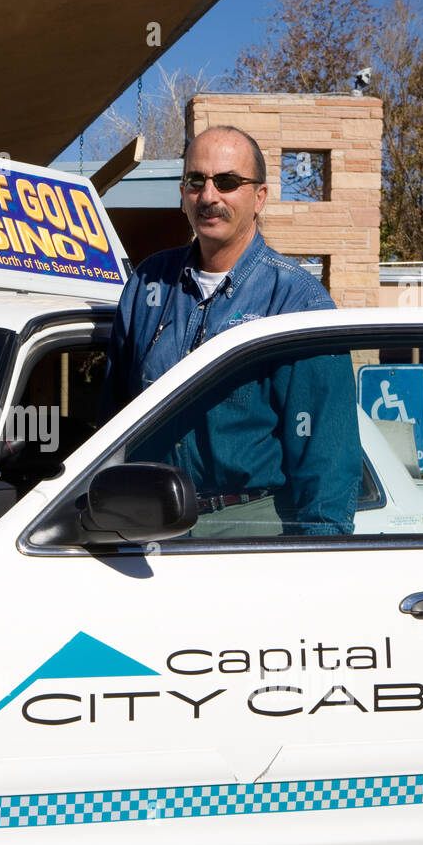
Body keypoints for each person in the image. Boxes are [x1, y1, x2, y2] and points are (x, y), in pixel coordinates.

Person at [99, 125, 360, 537]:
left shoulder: (297, 300)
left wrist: (320, 556)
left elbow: (326, 454)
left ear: (259, 197)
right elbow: (112, 420)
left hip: (247, 528)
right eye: (195, 181)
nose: (208, 196)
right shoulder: (148, 283)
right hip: (144, 524)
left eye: (227, 182)